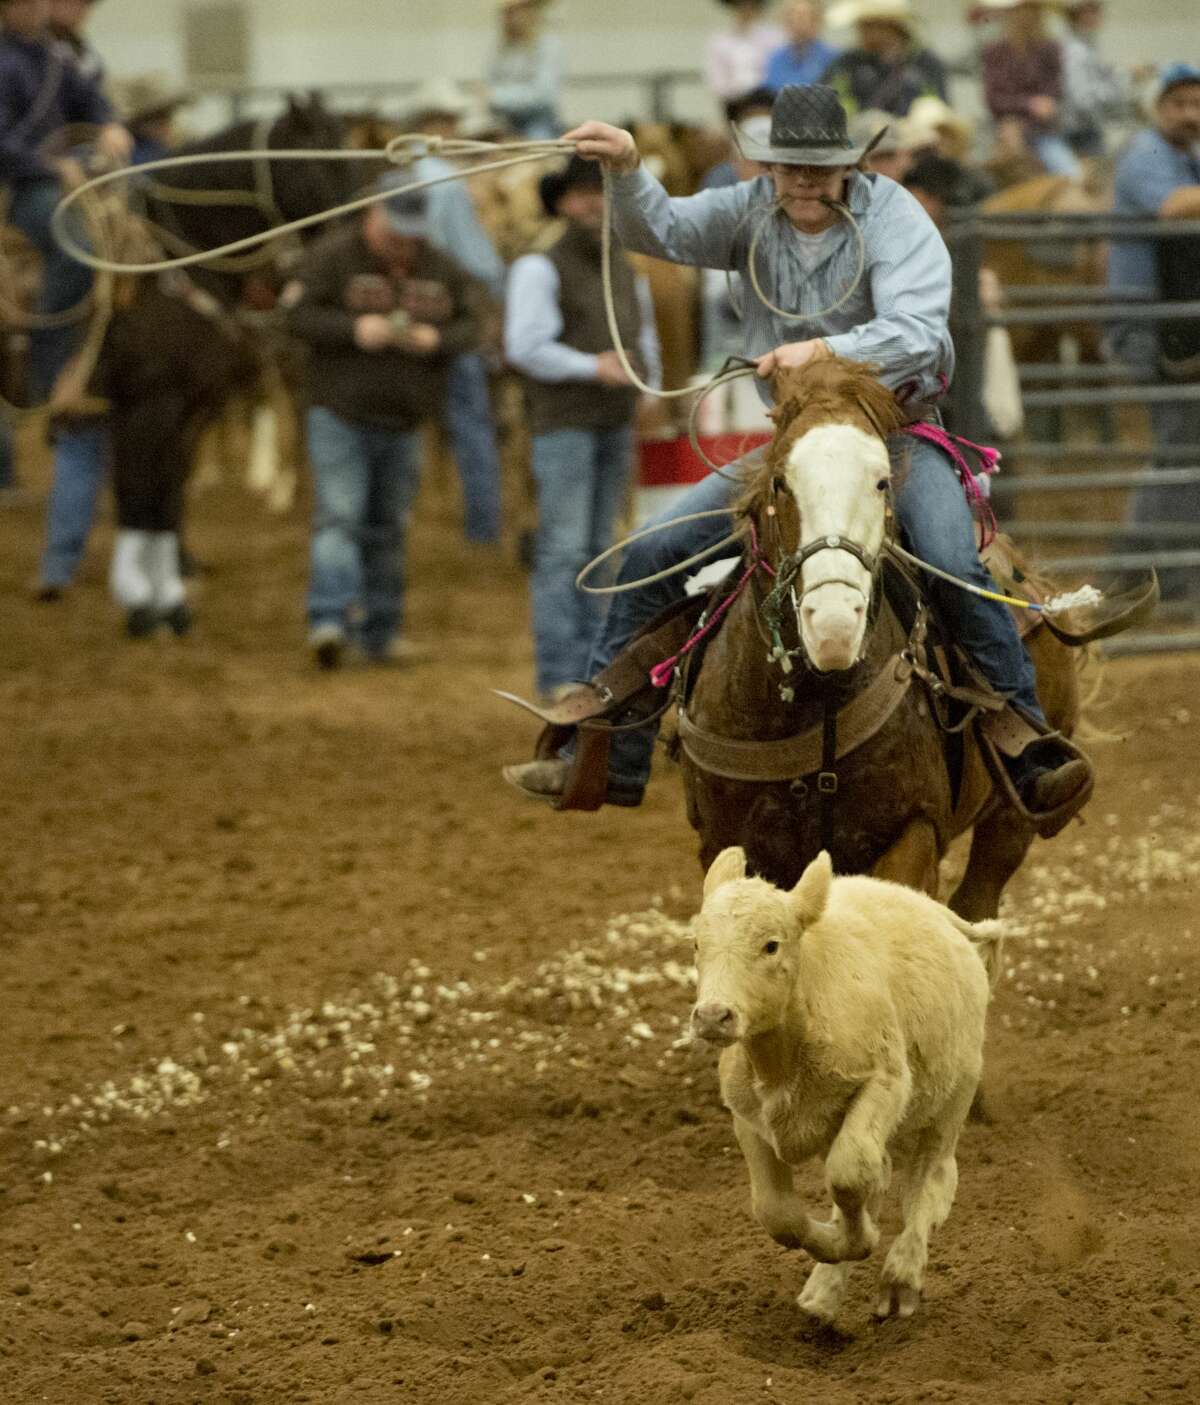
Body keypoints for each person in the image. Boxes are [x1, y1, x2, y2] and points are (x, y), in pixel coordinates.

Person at [502, 84, 1090, 823]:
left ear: (851, 166)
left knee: (948, 554)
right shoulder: (748, 213)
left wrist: (823, 349)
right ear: (768, 166)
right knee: (651, 553)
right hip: (793, 449)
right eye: (790, 166)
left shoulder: (896, 217)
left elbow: (918, 332)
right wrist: (625, 166)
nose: (805, 181)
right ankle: (607, 758)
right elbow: (665, 231)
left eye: (821, 168)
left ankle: (1022, 740)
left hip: (893, 439)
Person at [285, 178, 481, 668]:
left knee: (388, 526)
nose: (404, 241)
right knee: (341, 516)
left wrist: (436, 340)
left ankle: (380, 630)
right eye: (395, 230)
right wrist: (353, 330)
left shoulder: (441, 267)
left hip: (404, 419)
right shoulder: (331, 257)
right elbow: (295, 316)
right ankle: (329, 621)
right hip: (340, 412)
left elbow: (476, 323)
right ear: (373, 214)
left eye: (412, 232)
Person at [505, 154, 661, 703]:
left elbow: (643, 338)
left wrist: (649, 384)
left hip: (610, 419)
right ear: (563, 202)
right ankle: (558, 670)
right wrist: (594, 367)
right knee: (567, 548)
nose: (593, 202)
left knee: (598, 546)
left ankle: (594, 668)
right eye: (580, 193)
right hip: (565, 422)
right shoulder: (538, 266)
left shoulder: (624, 264)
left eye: (600, 192)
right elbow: (523, 347)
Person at [0, 0, 130, 598]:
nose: (35, 8)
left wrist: (108, 125)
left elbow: (91, 103)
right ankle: (53, 354)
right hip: (27, 190)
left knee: (136, 220)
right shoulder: (8, 61)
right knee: (77, 245)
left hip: (73, 178)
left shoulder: (54, 58)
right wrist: (54, 168)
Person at [1107, 63, 1200, 599]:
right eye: (1178, 104)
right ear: (1157, 109)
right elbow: (1172, 208)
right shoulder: (1146, 155)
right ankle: (1141, 567)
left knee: (1183, 442)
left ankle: (1155, 567)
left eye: (1196, 103)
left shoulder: (1186, 157)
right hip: (1151, 322)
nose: (1189, 114)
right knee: (1178, 441)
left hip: (1177, 322)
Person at [407, 78, 507, 546]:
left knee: (399, 422)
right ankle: (483, 527)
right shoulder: (448, 184)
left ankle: (400, 516)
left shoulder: (396, 181)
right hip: (448, 321)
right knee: (472, 424)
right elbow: (482, 263)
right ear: (437, 125)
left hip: (403, 321)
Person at [980, 0, 1080, 179]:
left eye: (1031, 10)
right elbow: (993, 98)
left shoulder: (1050, 49)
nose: (1026, 16)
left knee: (1070, 176)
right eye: (1021, 10)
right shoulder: (995, 51)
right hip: (1002, 130)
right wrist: (1028, 105)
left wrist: (1034, 111)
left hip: (1041, 132)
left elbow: (1052, 94)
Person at [822, 0, 947, 116]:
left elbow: (939, 109)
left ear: (889, 27)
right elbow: (828, 98)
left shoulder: (925, 63)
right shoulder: (850, 61)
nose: (860, 31)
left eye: (867, 25)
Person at [1058, 1, 1136, 160]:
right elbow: (1083, 99)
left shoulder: (1085, 46)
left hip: (1086, 128)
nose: (1097, 16)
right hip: (1081, 131)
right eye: (1090, 11)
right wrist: (1121, 82)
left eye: (1097, 10)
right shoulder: (1075, 51)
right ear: (1074, 15)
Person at [487, 0, 563, 141]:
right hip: (506, 122)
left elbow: (543, 95)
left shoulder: (548, 45)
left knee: (537, 152)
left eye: (514, 12)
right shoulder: (503, 49)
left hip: (538, 125)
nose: (509, 18)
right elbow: (490, 83)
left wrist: (495, 97)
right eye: (506, 13)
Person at [706, 0, 786, 104]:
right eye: (740, 4)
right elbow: (717, 83)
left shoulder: (775, 38)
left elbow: (779, 74)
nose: (746, 8)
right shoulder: (720, 42)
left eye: (750, 4)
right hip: (734, 105)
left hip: (768, 101)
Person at [764, 1, 839, 92]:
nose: (795, 22)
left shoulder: (832, 58)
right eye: (790, 16)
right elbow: (770, 93)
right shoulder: (775, 58)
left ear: (817, 21)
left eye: (801, 17)